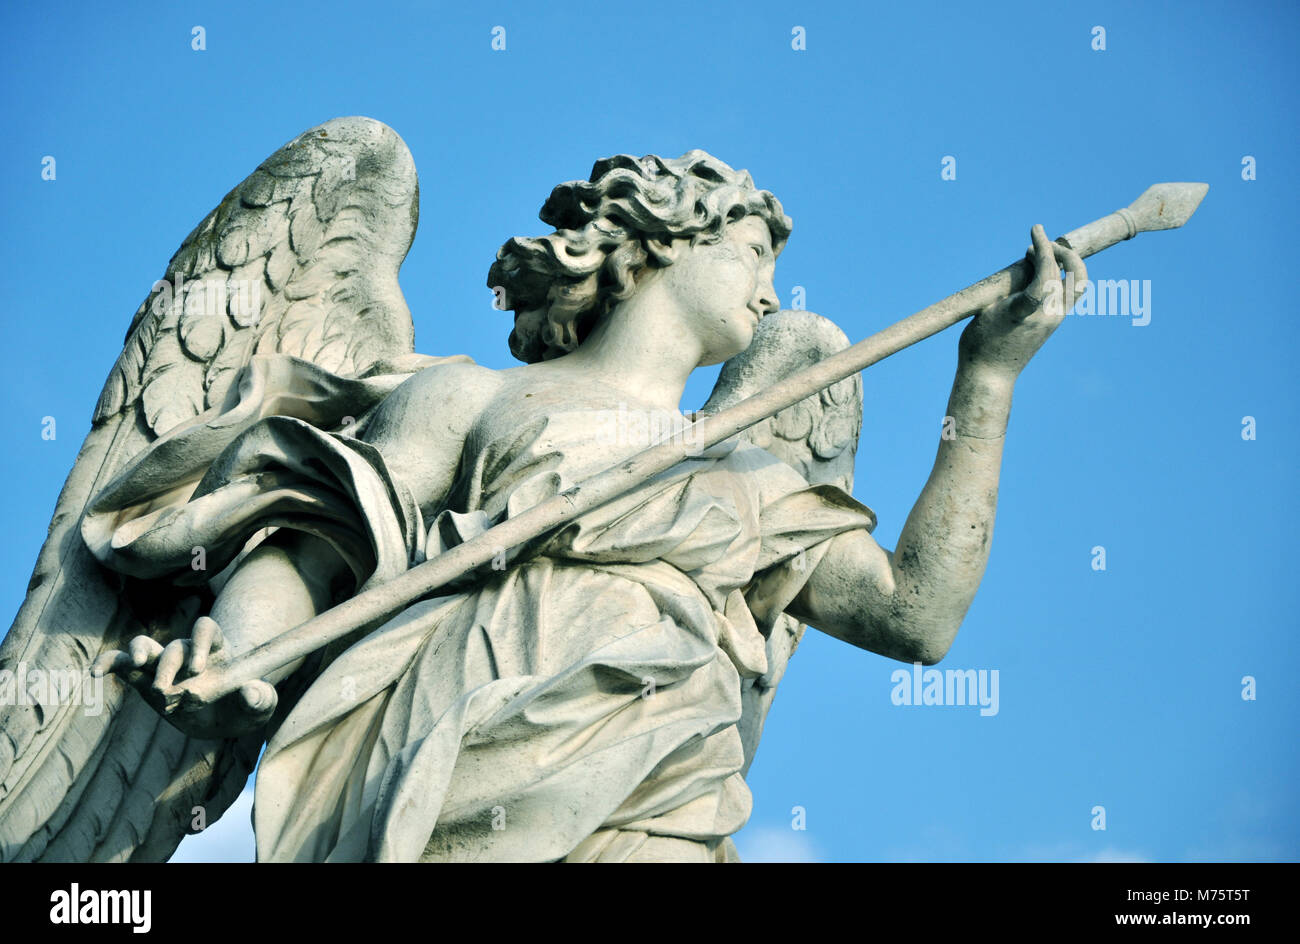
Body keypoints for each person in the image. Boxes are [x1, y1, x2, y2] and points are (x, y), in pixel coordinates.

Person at [92, 150, 1085, 862]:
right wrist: (233, 649)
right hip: (460, 735)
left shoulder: (750, 471)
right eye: (750, 252)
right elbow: (315, 542)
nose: (774, 296)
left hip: (665, 770)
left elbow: (917, 617)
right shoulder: (474, 397)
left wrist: (985, 381)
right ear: (662, 240)